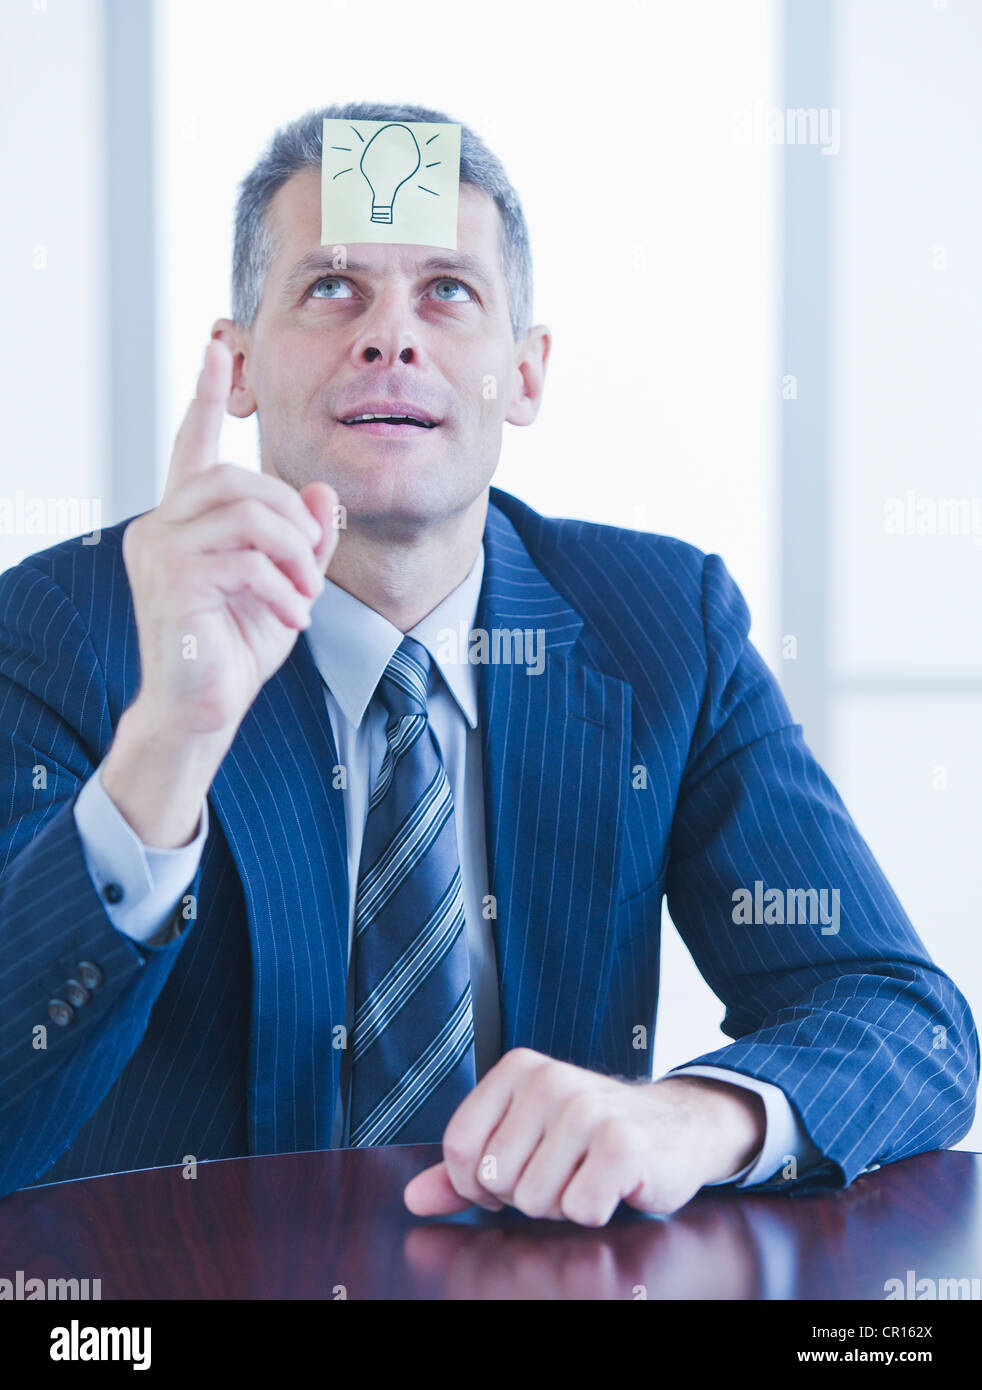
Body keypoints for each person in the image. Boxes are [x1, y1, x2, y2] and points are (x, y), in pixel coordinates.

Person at [0, 102, 976, 1225]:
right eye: (331, 288)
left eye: (447, 292)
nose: (391, 338)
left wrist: (695, 1115)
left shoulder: (663, 627)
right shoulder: (62, 626)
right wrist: (163, 752)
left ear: (524, 374)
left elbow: (906, 1019)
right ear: (237, 366)